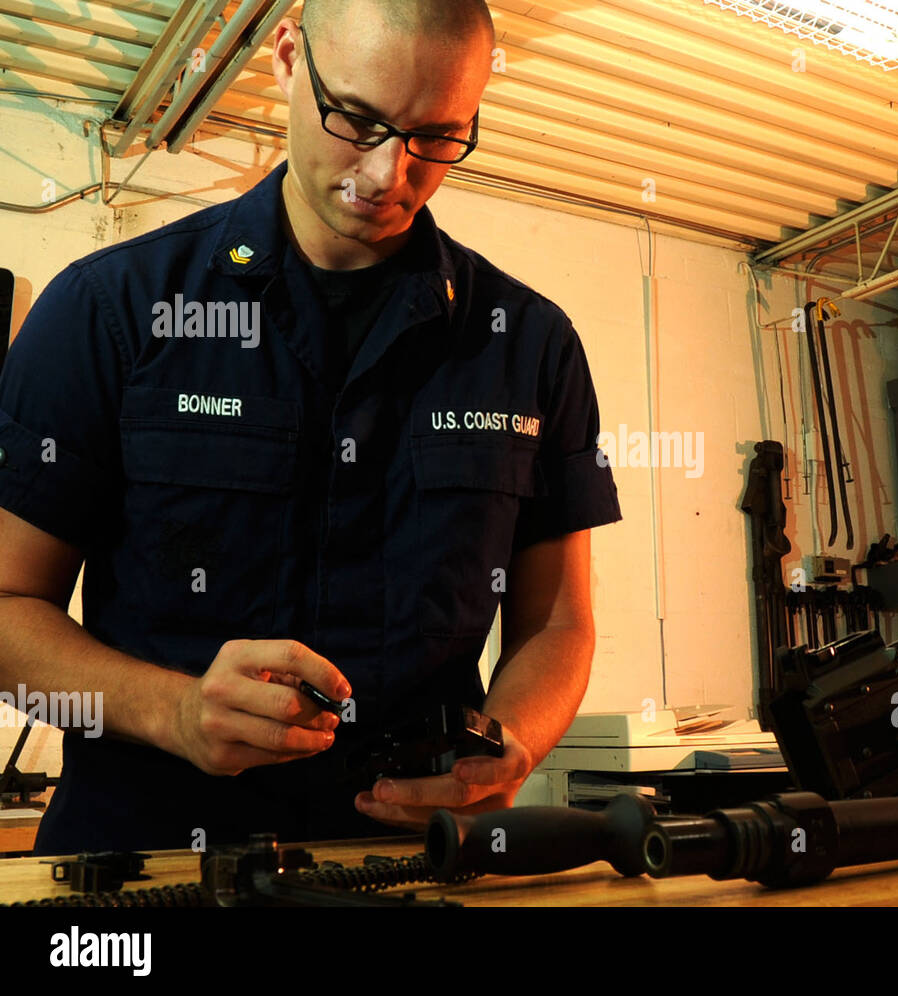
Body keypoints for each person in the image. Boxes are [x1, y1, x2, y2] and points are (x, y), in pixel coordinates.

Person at [0, 0, 621, 854]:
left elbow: (557, 623)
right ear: (289, 56)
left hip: (411, 867)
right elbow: (6, 604)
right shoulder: (111, 311)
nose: (385, 174)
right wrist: (174, 710)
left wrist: (509, 748)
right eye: (356, 119)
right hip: (149, 865)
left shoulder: (529, 345)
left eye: (436, 137)